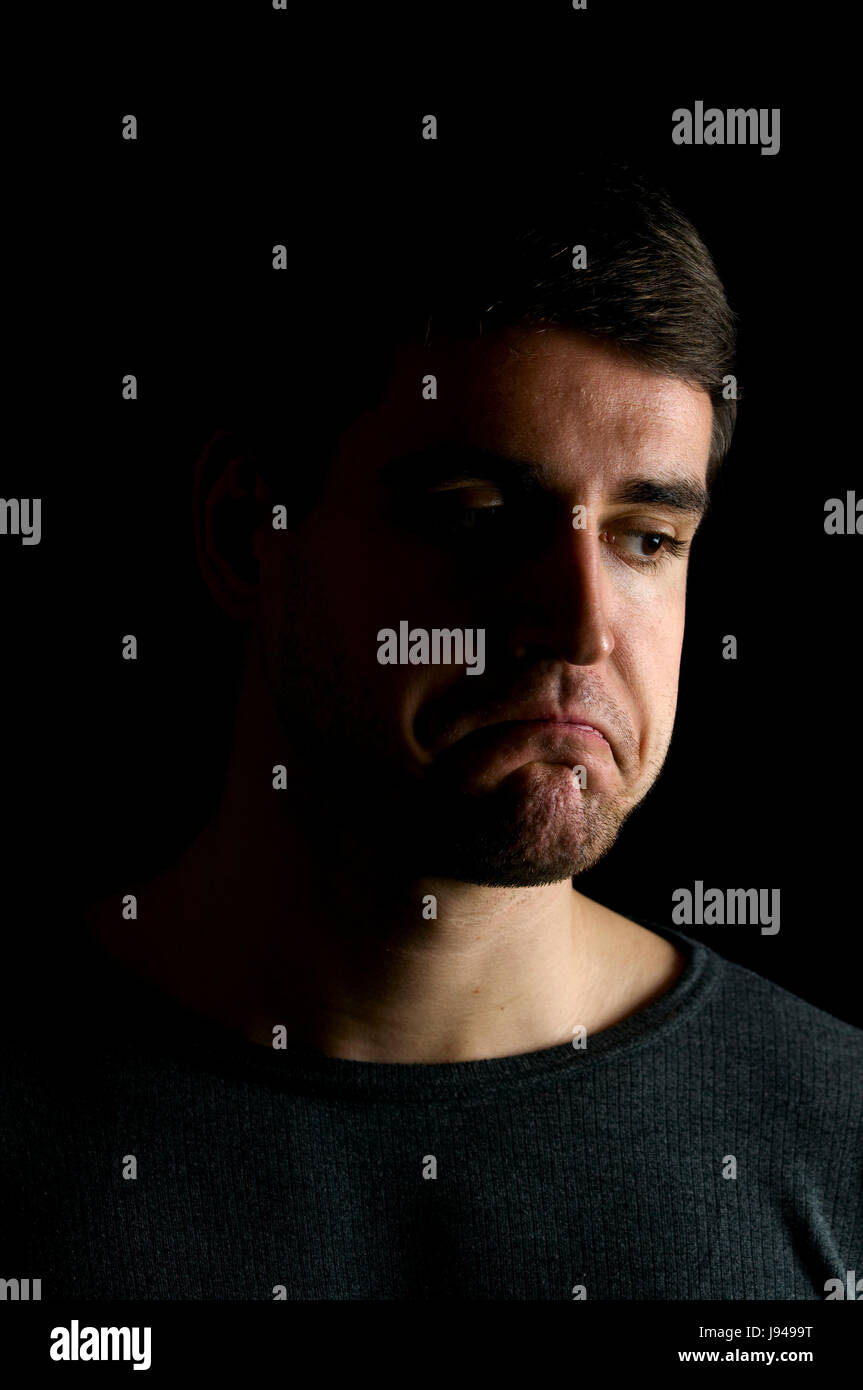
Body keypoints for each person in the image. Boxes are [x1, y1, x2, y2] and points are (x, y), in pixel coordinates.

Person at [2, 168, 860, 1301]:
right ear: (243, 532)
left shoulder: (834, 1136)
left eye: (645, 538)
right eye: (476, 519)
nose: (581, 627)